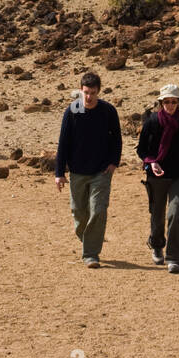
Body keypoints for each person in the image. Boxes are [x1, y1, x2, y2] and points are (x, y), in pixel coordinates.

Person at [54, 70, 121, 268]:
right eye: (85, 92)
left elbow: (116, 138)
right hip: (77, 171)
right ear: (81, 91)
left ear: (99, 92)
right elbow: (63, 142)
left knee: (98, 210)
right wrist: (59, 173)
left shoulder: (108, 111)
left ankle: (91, 254)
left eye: (92, 92)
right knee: (78, 212)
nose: (89, 97)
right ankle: (88, 239)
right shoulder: (73, 110)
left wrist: (113, 162)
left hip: (101, 171)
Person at [136, 83, 179, 274]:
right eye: (167, 102)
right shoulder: (152, 121)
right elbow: (141, 150)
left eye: (174, 102)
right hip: (156, 175)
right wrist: (151, 162)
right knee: (157, 214)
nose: (170, 105)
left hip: (178, 175)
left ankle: (174, 258)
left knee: (175, 214)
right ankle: (156, 245)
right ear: (161, 102)